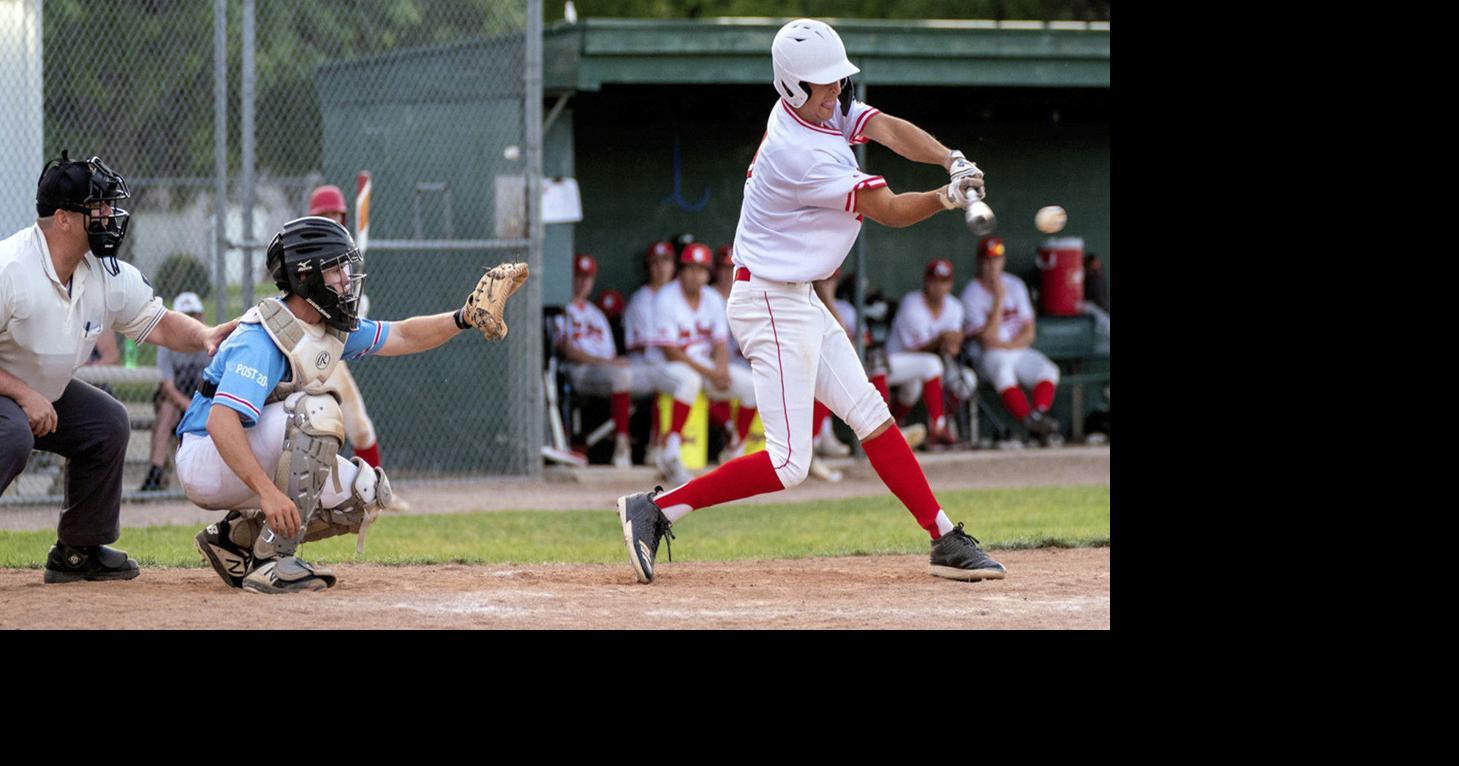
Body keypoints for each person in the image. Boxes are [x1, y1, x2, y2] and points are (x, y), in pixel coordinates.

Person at [615, 19, 1004, 585]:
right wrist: (947, 196)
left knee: (870, 414)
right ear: (793, 87)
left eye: (838, 82)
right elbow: (890, 211)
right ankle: (657, 509)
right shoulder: (800, 152)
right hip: (768, 299)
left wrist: (952, 158)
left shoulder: (820, 109)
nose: (837, 92)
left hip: (793, 296)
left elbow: (887, 128)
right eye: (824, 84)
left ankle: (943, 536)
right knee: (789, 463)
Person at [178, 216, 527, 594]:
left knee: (365, 494)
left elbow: (404, 335)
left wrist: (464, 316)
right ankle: (272, 561)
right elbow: (220, 422)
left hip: (243, 449)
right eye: (335, 268)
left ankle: (233, 540)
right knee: (318, 412)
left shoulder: (327, 325)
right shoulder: (262, 337)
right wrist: (268, 492)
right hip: (206, 455)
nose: (346, 277)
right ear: (306, 276)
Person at [0, 151, 240, 583]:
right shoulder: (10, 268)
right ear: (63, 219)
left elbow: (160, 323)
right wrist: (21, 394)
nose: (110, 215)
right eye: (98, 207)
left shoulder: (103, 272)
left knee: (106, 422)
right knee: (12, 433)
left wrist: (207, 335)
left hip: (37, 391)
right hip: (8, 391)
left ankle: (78, 552)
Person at [649, 243, 758, 485]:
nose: (695, 275)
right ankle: (670, 452)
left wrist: (721, 368)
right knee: (690, 380)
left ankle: (735, 450)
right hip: (663, 367)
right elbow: (670, 351)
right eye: (690, 268)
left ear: (708, 273)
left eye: (701, 269)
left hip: (703, 366)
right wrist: (712, 371)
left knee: (752, 387)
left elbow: (720, 343)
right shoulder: (666, 297)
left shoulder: (712, 299)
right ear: (681, 270)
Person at [961, 236, 1061, 442]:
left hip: (1017, 350)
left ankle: (1037, 417)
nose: (992, 265)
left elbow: (1029, 331)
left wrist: (1010, 345)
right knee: (1002, 369)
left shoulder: (1015, 285)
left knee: (1048, 370)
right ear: (980, 262)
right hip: (987, 356)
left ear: (1003, 260)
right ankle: (1029, 421)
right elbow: (987, 340)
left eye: (996, 259)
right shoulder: (971, 293)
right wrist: (998, 299)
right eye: (988, 260)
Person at [555, 253, 647, 467]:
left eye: (588, 277)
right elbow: (567, 351)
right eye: (578, 276)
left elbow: (611, 354)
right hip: (577, 371)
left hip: (604, 371)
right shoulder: (561, 308)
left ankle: (653, 446)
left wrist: (613, 363)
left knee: (642, 375)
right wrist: (606, 364)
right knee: (620, 375)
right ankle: (622, 445)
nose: (583, 282)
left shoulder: (596, 314)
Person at [885, 258, 974, 448]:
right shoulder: (912, 303)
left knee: (966, 380)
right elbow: (919, 349)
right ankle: (936, 428)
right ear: (926, 281)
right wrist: (942, 339)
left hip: (934, 362)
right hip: (897, 359)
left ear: (950, 284)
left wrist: (953, 344)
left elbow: (952, 345)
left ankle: (944, 420)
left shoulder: (954, 306)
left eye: (944, 282)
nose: (938, 287)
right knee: (920, 378)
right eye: (934, 281)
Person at [139, 291, 212, 491]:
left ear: (201, 318)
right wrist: (190, 406)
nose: (191, 320)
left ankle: (210, 476)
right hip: (176, 399)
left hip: (202, 398)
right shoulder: (168, 344)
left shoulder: (209, 343)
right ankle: (156, 472)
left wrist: (198, 406)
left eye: (194, 316)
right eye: (186, 316)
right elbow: (168, 387)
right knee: (167, 409)